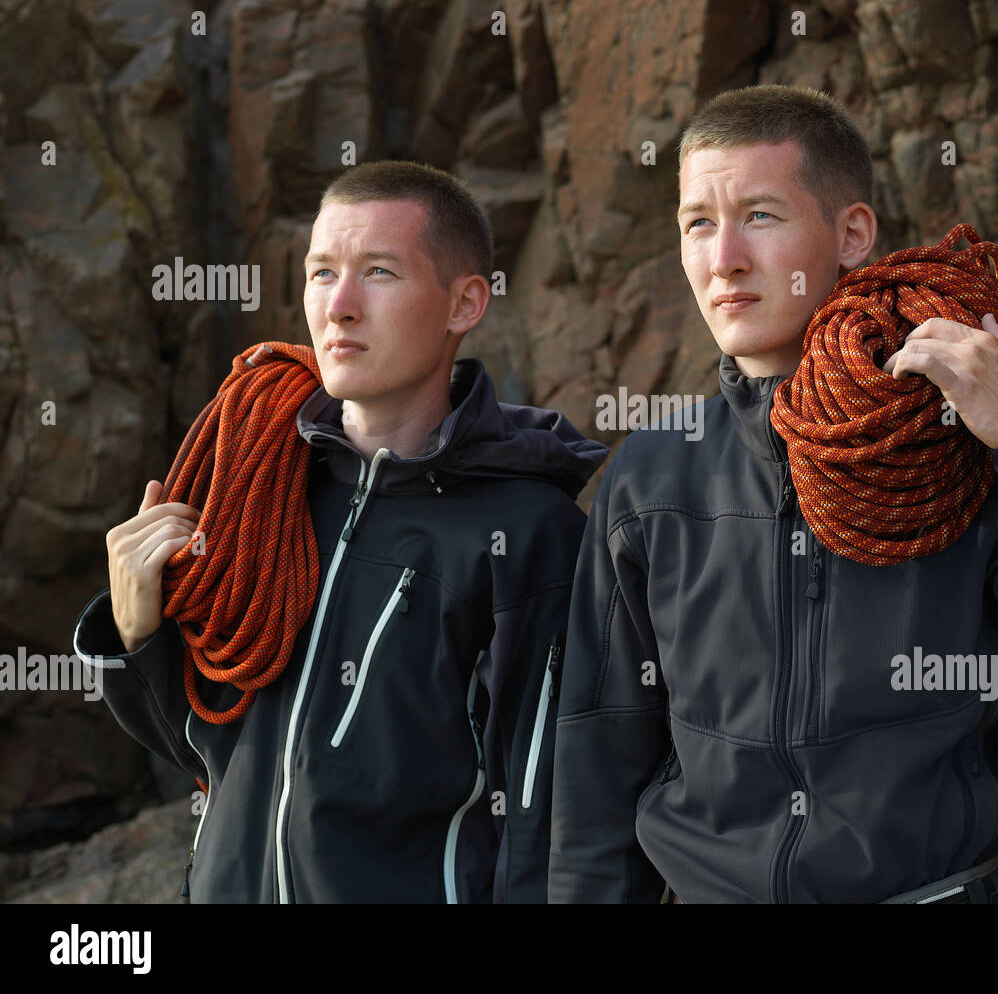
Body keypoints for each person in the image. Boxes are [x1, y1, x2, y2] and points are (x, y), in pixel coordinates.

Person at [547, 85, 998, 904]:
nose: (722, 256)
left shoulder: (961, 456)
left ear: (852, 235)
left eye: (760, 215)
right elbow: (591, 783)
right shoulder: (648, 479)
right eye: (697, 222)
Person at [74, 161, 607, 903]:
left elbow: (545, 823)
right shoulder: (260, 489)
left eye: (379, 272)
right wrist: (139, 638)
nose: (341, 306)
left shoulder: (529, 534)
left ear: (465, 302)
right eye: (322, 272)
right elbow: (216, 751)